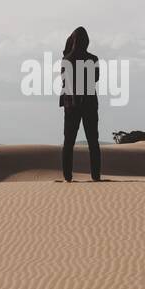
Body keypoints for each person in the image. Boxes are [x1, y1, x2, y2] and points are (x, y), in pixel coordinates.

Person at [59, 26, 101, 182]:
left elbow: (64, 80)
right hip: (89, 103)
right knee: (93, 142)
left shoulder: (66, 59)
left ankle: (67, 177)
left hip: (71, 104)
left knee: (68, 142)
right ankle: (96, 176)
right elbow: (95, 78)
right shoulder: (93, 59)